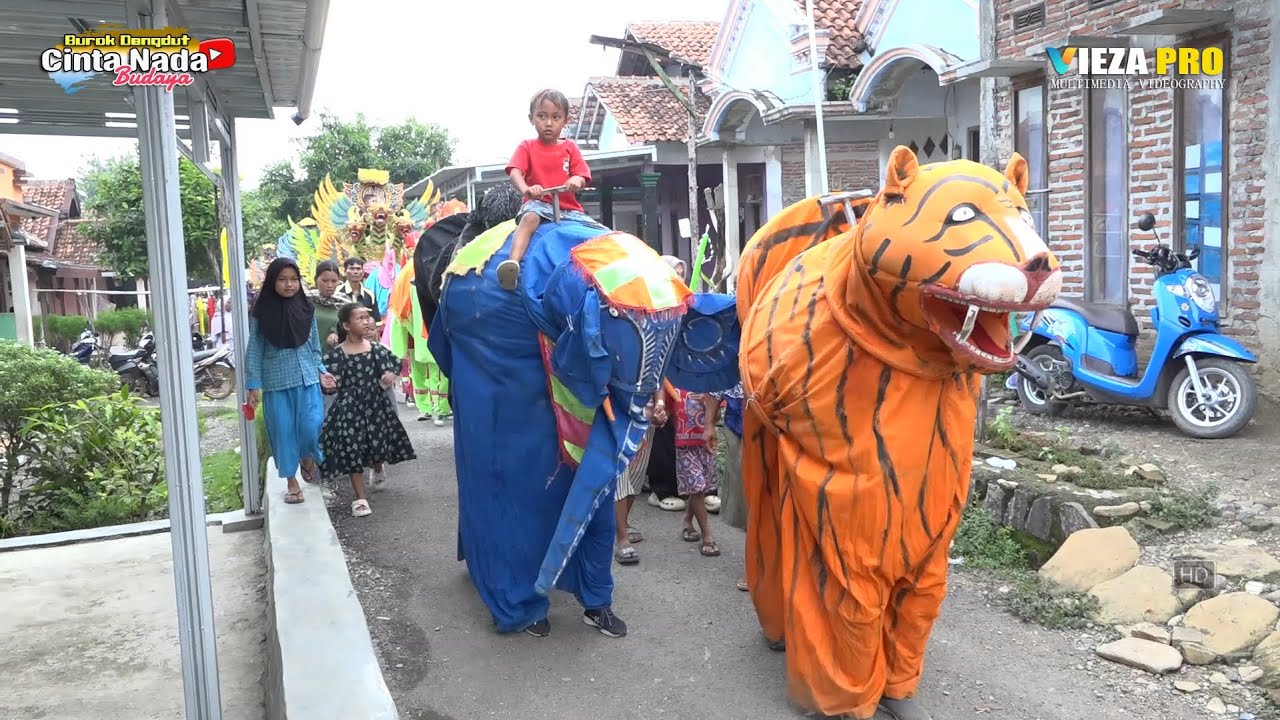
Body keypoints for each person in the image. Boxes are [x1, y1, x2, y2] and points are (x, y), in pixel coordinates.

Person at [246, 257, 336, 505]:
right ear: (272, 282)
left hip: (307, 379)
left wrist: (321, 370)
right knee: (284, 433)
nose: (289, 285)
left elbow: (314, 347)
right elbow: (254, 347)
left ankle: (307, 456)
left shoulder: (307, 309)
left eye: (294, 279)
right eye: (282, 279)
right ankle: (291, 481)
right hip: (276, 383)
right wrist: (253, 383)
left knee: (312, 426)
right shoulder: (262, 313)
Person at [498, 88, 606, 291]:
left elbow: (582, 175)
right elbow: (515, 171)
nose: (548, 123)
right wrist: (527, 189)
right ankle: (512, 265)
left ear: (565, 120)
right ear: (531, 119)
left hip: (568, 208)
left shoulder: (570, 148)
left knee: (600, 232)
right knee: (529, 219)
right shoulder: (527, 147)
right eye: (542, 116)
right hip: (539, 204)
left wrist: (576, 179)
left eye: (555, 117)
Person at [320, 303, 417, 517]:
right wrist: (328, 384)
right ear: (346, 325)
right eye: (360, 318)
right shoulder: (336, 355)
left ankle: (378, 466)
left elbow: (394, 364)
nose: (366, 322)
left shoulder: (376, 349)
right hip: (348, 409)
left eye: (367, 317)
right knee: (352, 448)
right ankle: (360, 498)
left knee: (377, 443)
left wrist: (391, 374)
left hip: (376, 406)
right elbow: (329, 382)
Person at [613, 393, 666, 566]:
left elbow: (659, 379)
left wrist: (660, 404)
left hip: (645, 415)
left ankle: (620, 523)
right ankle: (622, 538)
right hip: (616, 410)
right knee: (620, 476)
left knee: (636, 476)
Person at [669, 384, 721, 557]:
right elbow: (666, 413)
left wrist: (707, 405)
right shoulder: (673, 385)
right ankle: (707, 535)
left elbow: (718, 415)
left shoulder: (708, 382)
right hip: (684, 445)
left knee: (700, 486)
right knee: (697, 487)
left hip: (706, 443)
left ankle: (687, 520)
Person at [337, 256, 382, 328]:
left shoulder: (370, 294)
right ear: (345, 271)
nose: (355, 272)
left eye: (358, 269)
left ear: (363, 272)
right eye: (351, 269)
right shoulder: (337, 292)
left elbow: (376, 321)